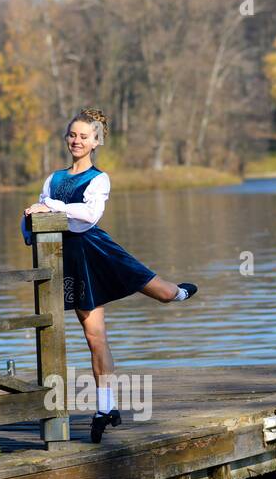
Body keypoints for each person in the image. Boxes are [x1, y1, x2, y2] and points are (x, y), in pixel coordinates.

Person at [22, 107, 198, 442]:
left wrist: (52, 207)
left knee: (160, 293)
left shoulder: (99, 179)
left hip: (97, 252)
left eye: (84, 136)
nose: (76, 140)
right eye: (72, 134)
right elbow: (45, 210)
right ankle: (106, 407)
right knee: (94, 337)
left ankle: (179, 293)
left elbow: (88, 215)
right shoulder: (54, 178)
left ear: (95, 142)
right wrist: (33, 213)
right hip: (68, 260)